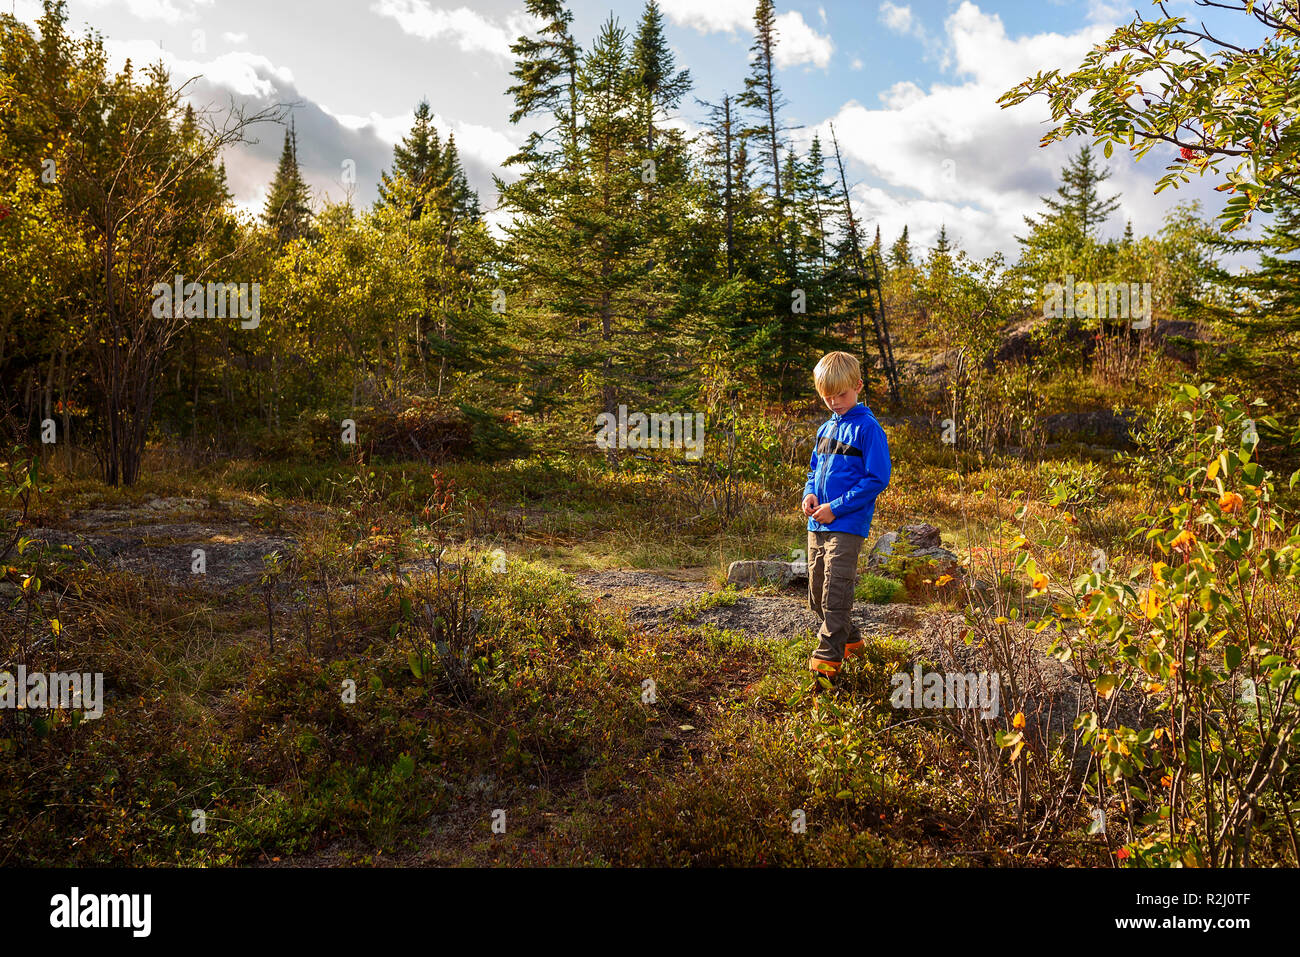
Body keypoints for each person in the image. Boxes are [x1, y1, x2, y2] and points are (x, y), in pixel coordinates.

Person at [801, 352, 891, 683]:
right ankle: (852, 641)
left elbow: (877, 478)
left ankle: (826, 666)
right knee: (816, 595)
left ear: (858, 387)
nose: (835, 402)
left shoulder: (868, 429)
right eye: (828, 396)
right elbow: (813, 470)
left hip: (847, 525)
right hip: (817, 523)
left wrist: (836, 507)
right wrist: (809, 494)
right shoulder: (825, 428)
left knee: (835, 593)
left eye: (842, 394)